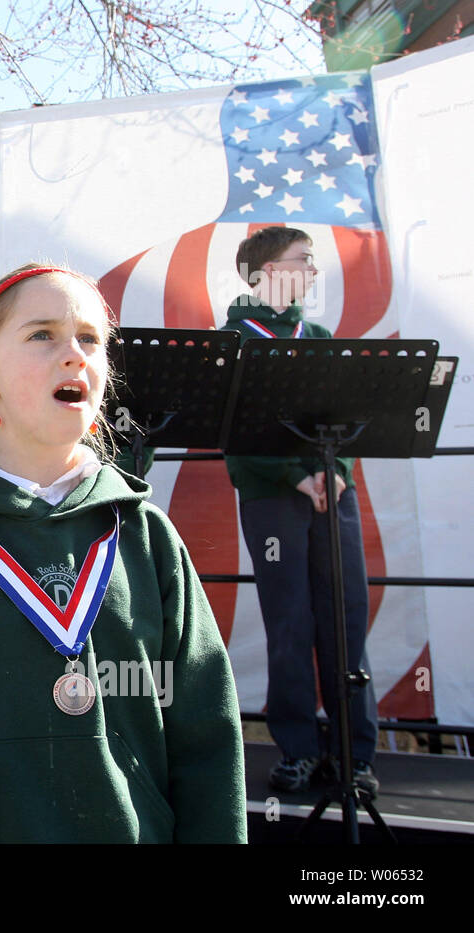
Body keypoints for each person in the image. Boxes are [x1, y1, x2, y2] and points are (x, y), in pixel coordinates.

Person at [0, 263, 246, 843]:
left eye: (90, 338)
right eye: (42, 335)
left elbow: (206, 732)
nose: (74, 354)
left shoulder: (145, 534)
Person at [223, 226, 379, 797]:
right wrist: (296, 474)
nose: (312, 272)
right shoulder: (236, 337)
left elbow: (346, 418)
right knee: (289, 624)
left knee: (346, 619)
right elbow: (238, 434)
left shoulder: (317, 334)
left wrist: (337, 472)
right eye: (302, 261)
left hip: (332, 495)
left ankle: (353, 755)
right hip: (274, 499)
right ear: (263, 272)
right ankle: (299, 749)